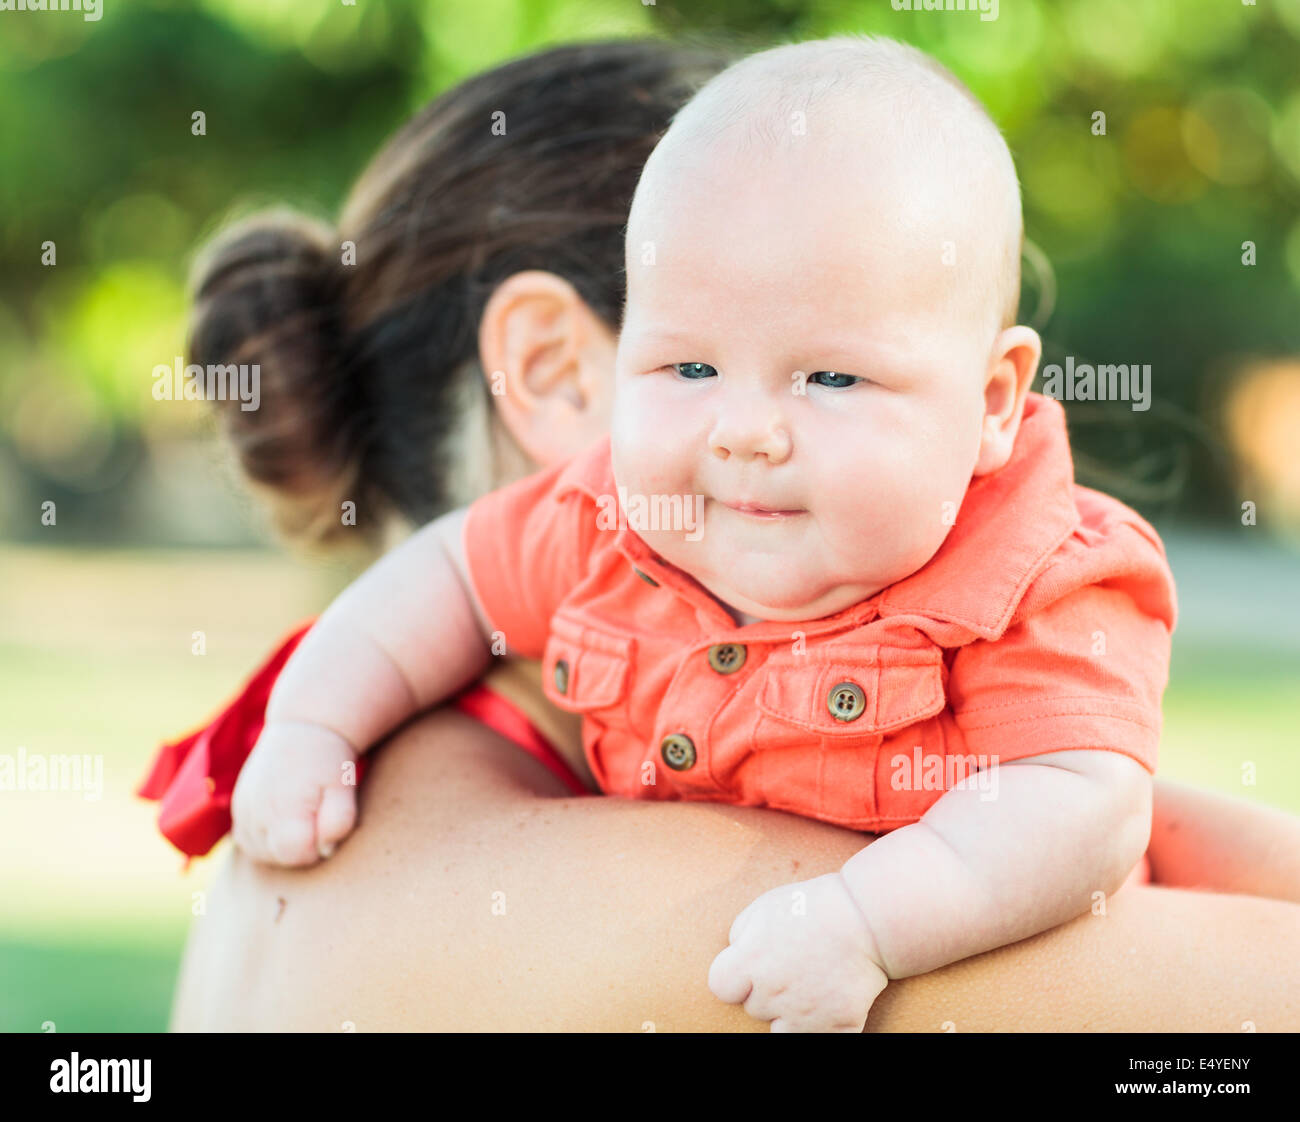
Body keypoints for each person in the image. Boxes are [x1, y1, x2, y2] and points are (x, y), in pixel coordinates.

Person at [153, 38, 1300, 1032]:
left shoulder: (328, 820)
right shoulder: (553, 878)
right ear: (562, 373)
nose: (754, 434)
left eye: (838, 376)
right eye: (692, 365)